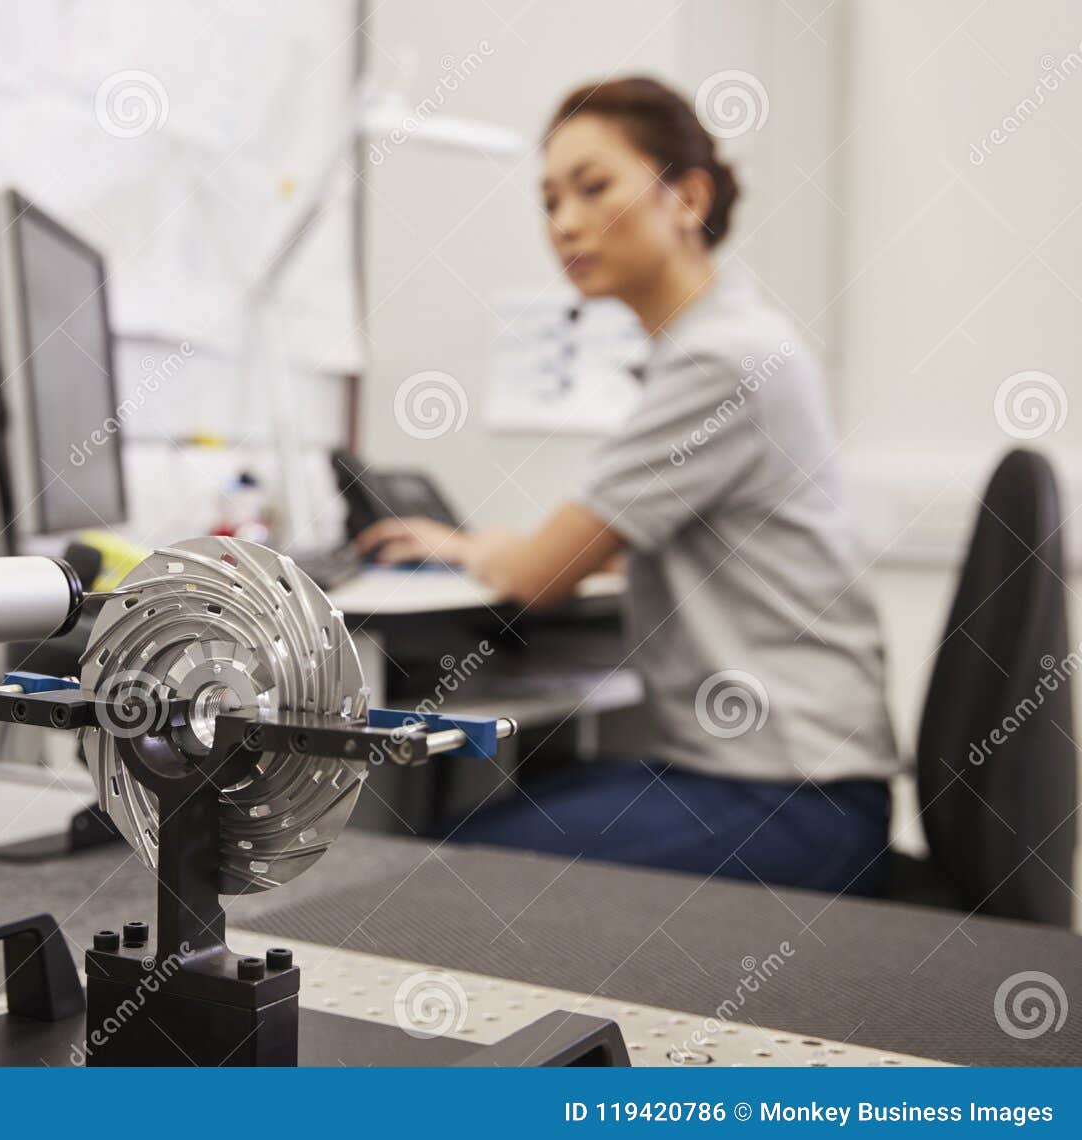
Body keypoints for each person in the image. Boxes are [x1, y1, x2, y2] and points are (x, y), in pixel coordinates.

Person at [356, 76, 897, 895]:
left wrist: (470, 546)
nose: (564, 222)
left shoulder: (723, 361)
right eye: (548, 201)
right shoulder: (720, 347)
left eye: (593, 186)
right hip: (771, 776)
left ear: (688, 196)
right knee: (482, 823)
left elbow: (540, 574)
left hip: (795, 797)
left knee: (441, 871)